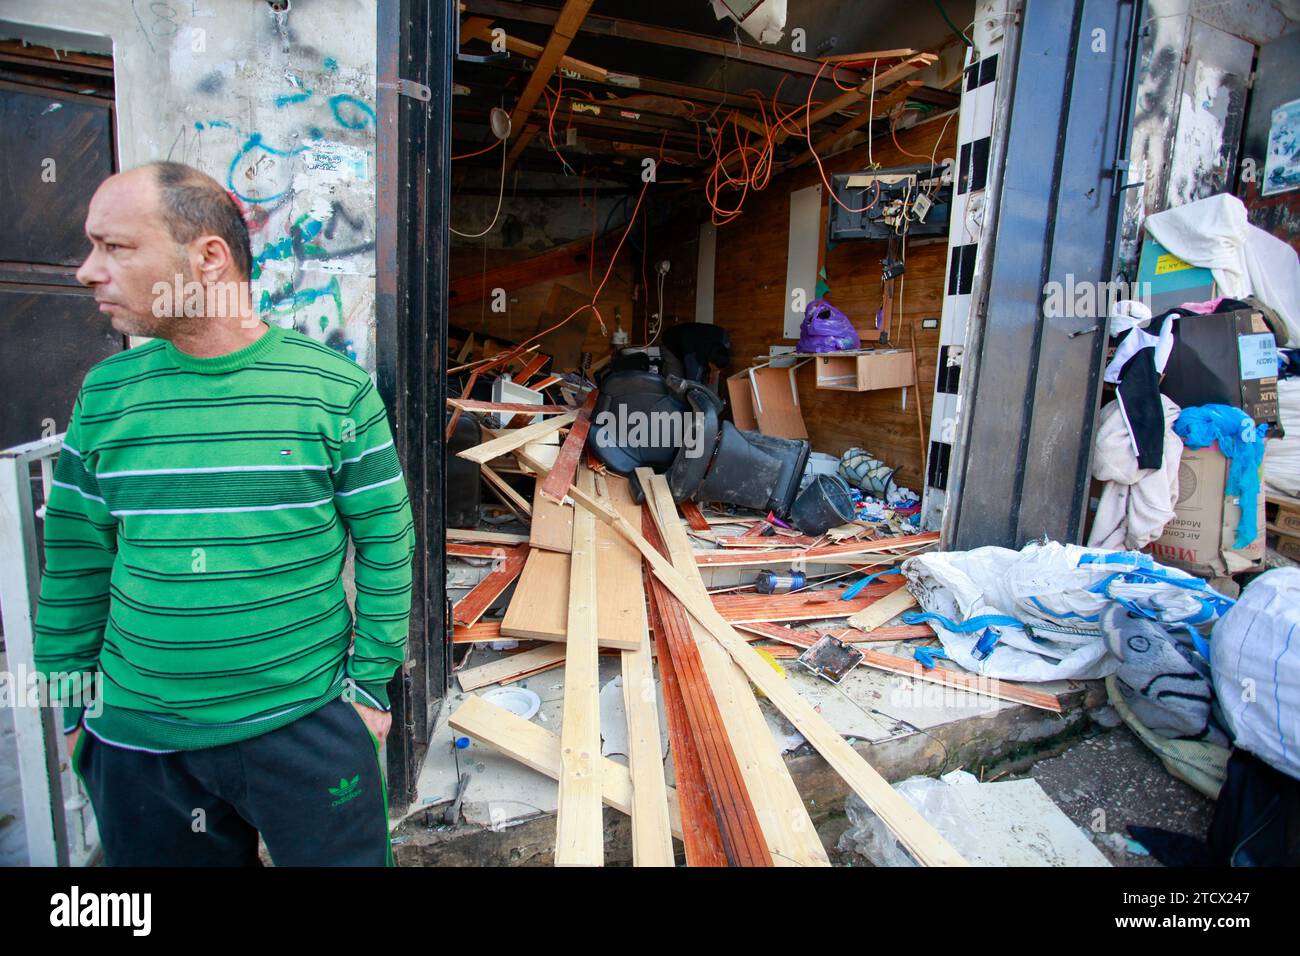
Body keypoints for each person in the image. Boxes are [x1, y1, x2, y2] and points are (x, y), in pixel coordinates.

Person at [33, 161, 414, 866]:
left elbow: (388, 540)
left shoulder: (332, 389)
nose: (88, 271)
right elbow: (77, 560)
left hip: (308, 724)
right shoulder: (107, 394)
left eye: (115, 247)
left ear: (207, 257)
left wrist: (368, 691)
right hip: (143, 742)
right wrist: (69, 708)